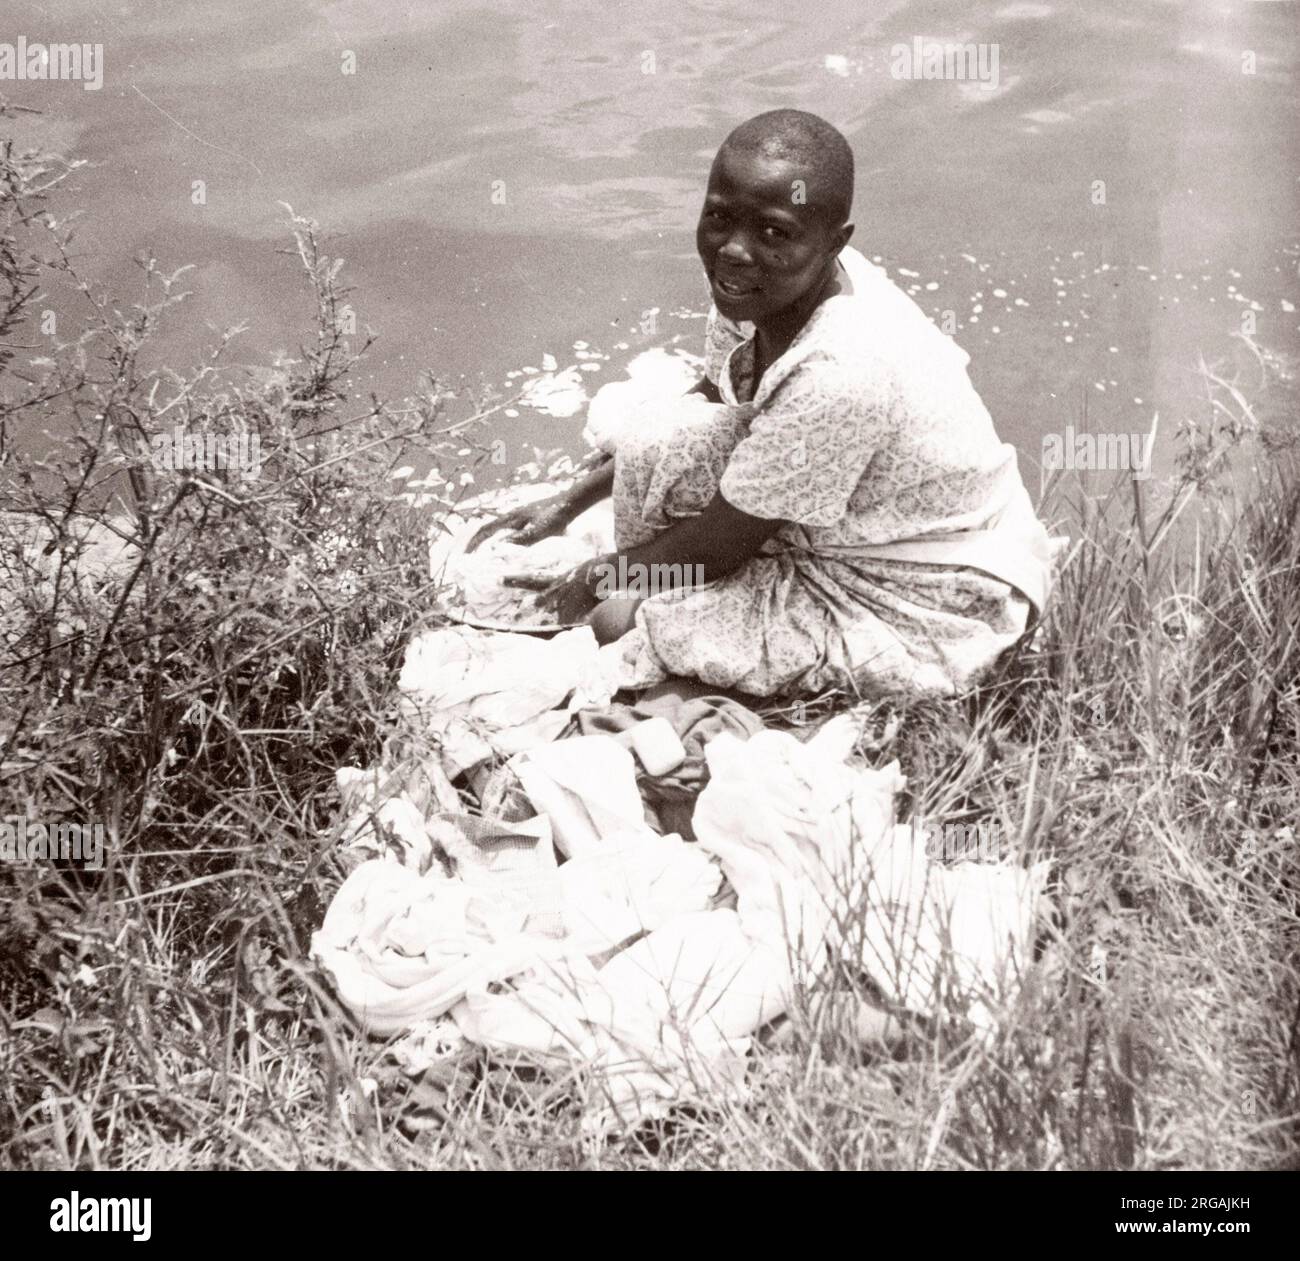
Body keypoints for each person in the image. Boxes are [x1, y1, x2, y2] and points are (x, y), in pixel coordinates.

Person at [471, 109, 1053, 701]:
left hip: (929, 587)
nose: (735, 251)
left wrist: (588, 586)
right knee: (655, 438)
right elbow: (717, 393)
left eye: (773, 232)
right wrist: (565, 505)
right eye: (719, 217)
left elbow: (719, 543)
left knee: (624, 627)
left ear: (835, 243)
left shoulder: (844, 370)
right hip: (844, 504)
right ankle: (660, 580)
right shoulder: (757, 285)